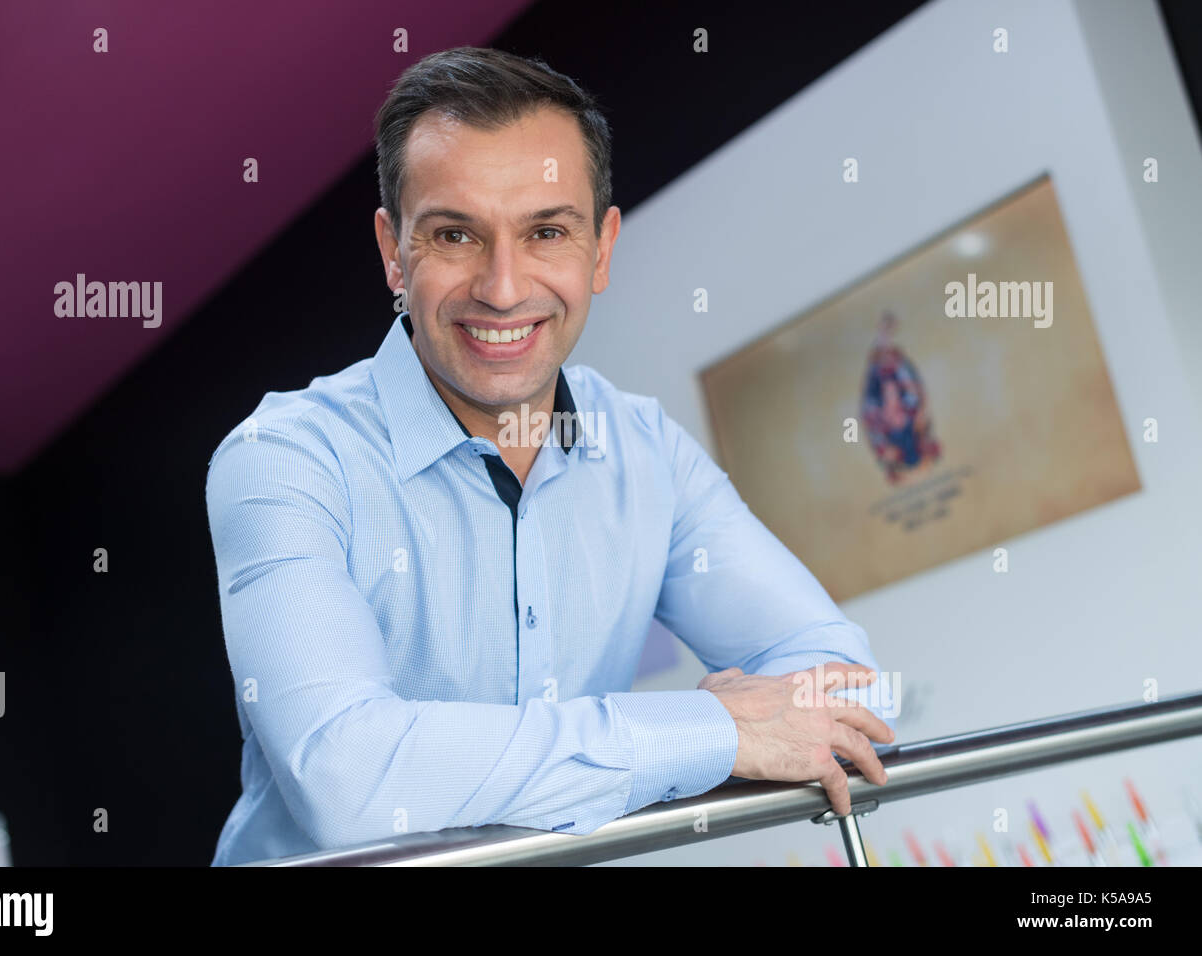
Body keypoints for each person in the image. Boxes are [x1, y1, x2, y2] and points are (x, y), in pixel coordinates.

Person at [205, 46, 897, 866]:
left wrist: (724, 729)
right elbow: (350, 779)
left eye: (547, 231)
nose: (503, 288)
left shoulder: (646, 452)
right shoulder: (284, 459)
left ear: (600, 248)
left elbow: (855, 686)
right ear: (395, 252)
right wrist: (710, 730)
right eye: (455, 234)